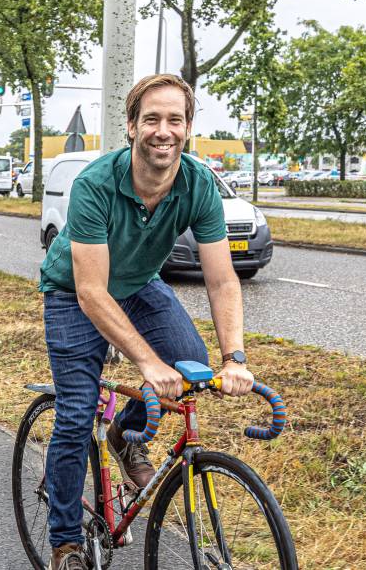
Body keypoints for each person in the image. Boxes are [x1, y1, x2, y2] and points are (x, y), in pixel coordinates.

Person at [37, 74, 254, 570]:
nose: (164, 130)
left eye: (174, 120)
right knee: (74, 415)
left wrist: (235, 357)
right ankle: (66, 543)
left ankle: (125, 436)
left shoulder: (198, 183)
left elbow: (222, 281)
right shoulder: (95, 184)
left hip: (137, 284)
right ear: (131, 127)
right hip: (74, 292)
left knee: (190, 364)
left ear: (188, 127)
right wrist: (146, 362)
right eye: (151, 119)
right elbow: (92, 292)